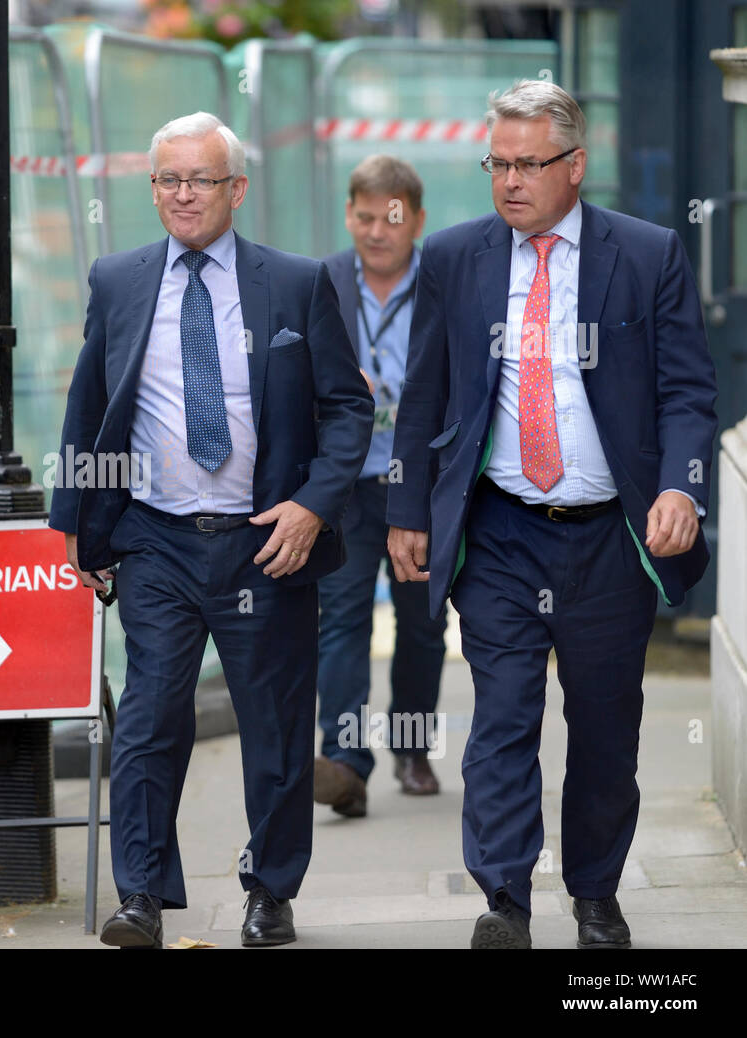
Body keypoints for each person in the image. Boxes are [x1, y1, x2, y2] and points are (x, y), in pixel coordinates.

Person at [385, 81, 717, 950]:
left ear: (575, 165)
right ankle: (505, 900)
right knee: (502, 717)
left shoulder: (646, 254)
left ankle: (596, 894)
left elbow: (688, 391)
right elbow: (422, 393)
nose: (509, 181)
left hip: (609, 535)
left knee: (604, 729)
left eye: (528, 164)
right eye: (497, 163)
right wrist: (407, 508)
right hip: (501, 531)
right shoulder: (453, 257)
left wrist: (680, 487)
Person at [49, 111, 373, 948]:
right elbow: (90, 406)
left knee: (275, 726)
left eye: (199, 179)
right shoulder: (118, 280)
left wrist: (312, 505)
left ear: (237, 189)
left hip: (264, 542)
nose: (183, 194)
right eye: (168, 178)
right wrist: (78, 524)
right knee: (151, 715)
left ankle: (271, 892)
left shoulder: (296, 283)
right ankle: (141, 897)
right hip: (155, 539)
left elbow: (348, 409)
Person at [314, 155, 448, 818]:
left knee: (422, 624)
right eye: (364, 217)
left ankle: (413, 749)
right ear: (348, 215)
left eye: (391, 219)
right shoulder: (323, 282)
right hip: (346, 485)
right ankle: (344, 762)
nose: (376, 231)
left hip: (418, 485)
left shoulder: (445, 283)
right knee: (342, 620)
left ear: (417, 221)